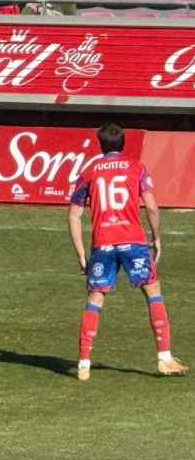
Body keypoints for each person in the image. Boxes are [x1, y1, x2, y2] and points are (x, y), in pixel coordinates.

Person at [68, 124, 188, 381]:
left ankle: (84, 362)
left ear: (101, 146)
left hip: (103, 243)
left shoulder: (89, 171)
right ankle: (164, 357)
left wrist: (80, 254)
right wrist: (157, 238)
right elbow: (152, 208)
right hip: (133, 241)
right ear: (123, 144)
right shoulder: (136, 167)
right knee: (152, 290)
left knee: (96, 296)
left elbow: (74, 214)